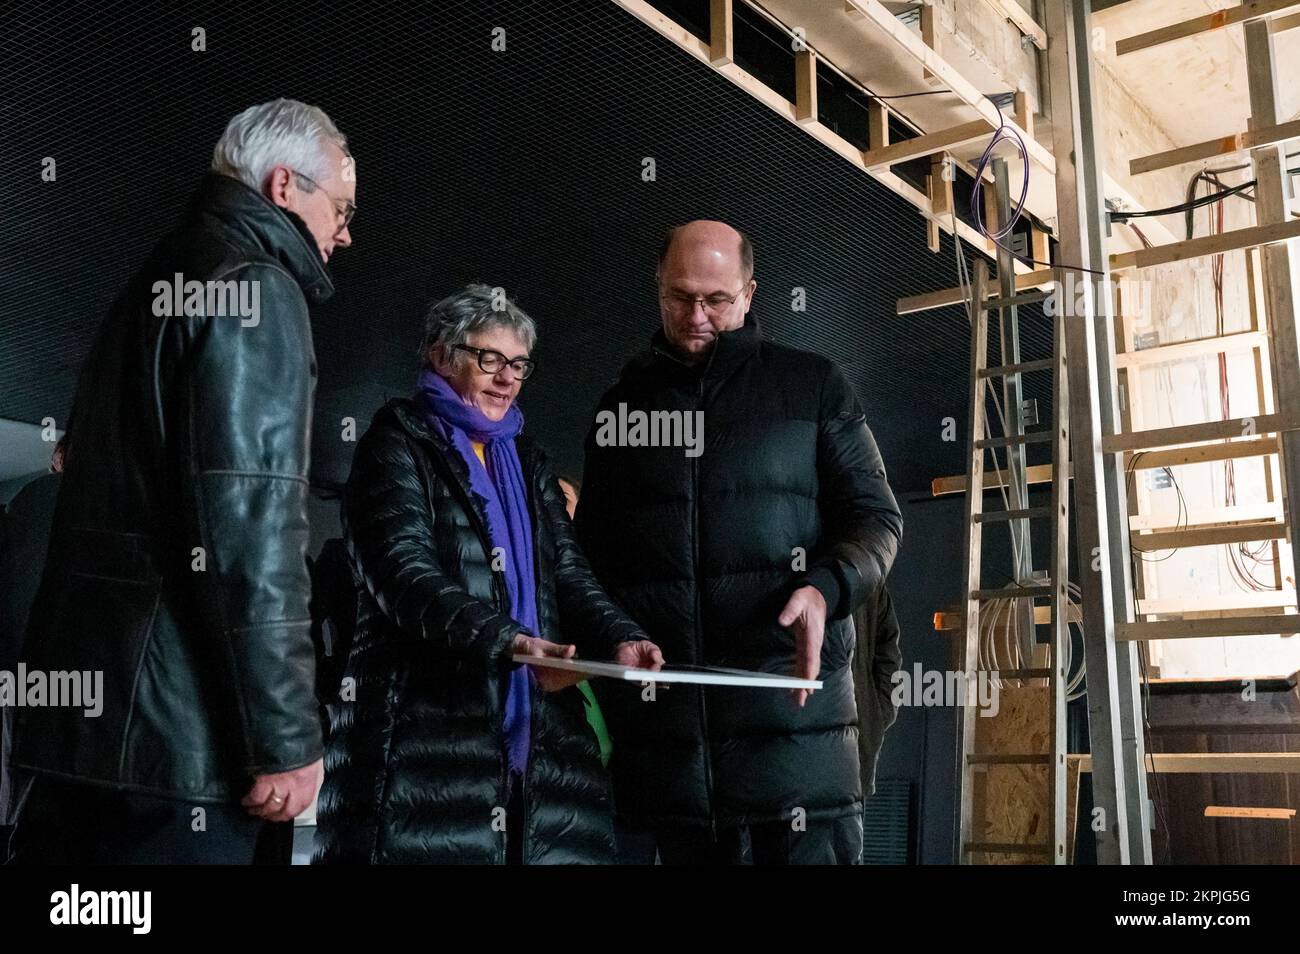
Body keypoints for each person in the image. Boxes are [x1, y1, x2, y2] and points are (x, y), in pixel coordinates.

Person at [6, 98, 355, 864]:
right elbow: (252, 525)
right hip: (183, 749)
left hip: (87, 740)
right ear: (284, 186)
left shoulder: (152, 284)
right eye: (343, 206)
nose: (347, 232)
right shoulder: (258, 287)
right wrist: (286, 737)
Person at [575, 220, 903, 865]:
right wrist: (608, 634)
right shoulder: (621, 407)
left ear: (750, 294)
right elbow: (590, 562)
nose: (696, 316)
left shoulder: (814, 385)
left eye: (716, 300)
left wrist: (825, 588)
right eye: (679, 297)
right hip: (673, 771)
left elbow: (878, 519)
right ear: (658, 291)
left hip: (801, 756)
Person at [314, 284, 663, 865]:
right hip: (422, 751)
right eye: (490, 359)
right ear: (441, 356)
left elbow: (569, 573)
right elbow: (404, 574)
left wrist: (620, 637)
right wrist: (511, 641)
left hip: (542, 758)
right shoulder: (395, 443)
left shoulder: (529, 460)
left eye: (518, 365)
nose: (507, 378)